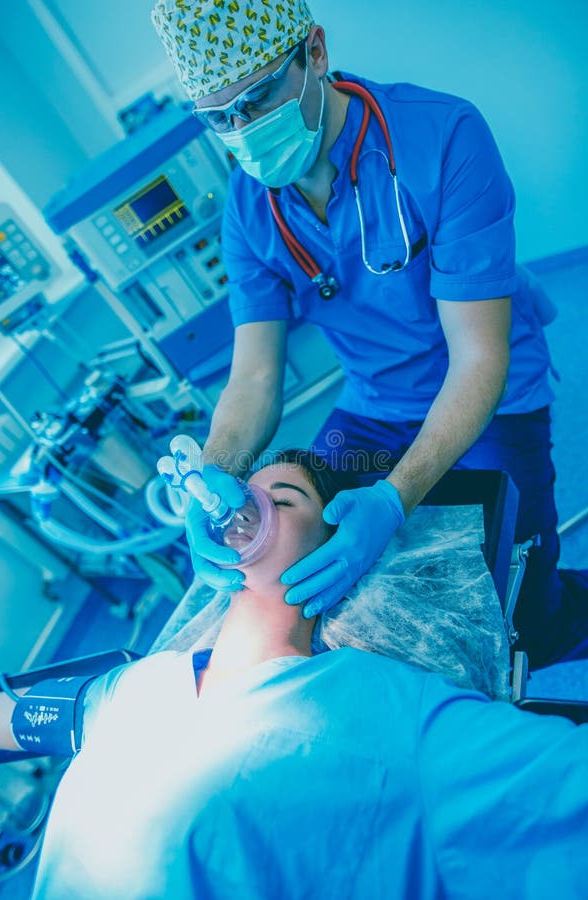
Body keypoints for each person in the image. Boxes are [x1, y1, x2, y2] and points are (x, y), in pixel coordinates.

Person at [150, 0, 588, 670]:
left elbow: (478, 356)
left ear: (314, 52)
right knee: (314, 540)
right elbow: (255, 376)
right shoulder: (248, 207)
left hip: (488, 392)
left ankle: (556, 621)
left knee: (516, 590)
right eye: (220, 118)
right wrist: (215, 474)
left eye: (258, 98)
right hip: (375, 405)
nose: (243, 130)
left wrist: (391, 499)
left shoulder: (441, 138)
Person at [0, 450, 587, 899]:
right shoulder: (137, 686)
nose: (247, 506)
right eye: (247, 491)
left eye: (284, 497)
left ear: (340, 551)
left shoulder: (379, 707)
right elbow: (13, 719)